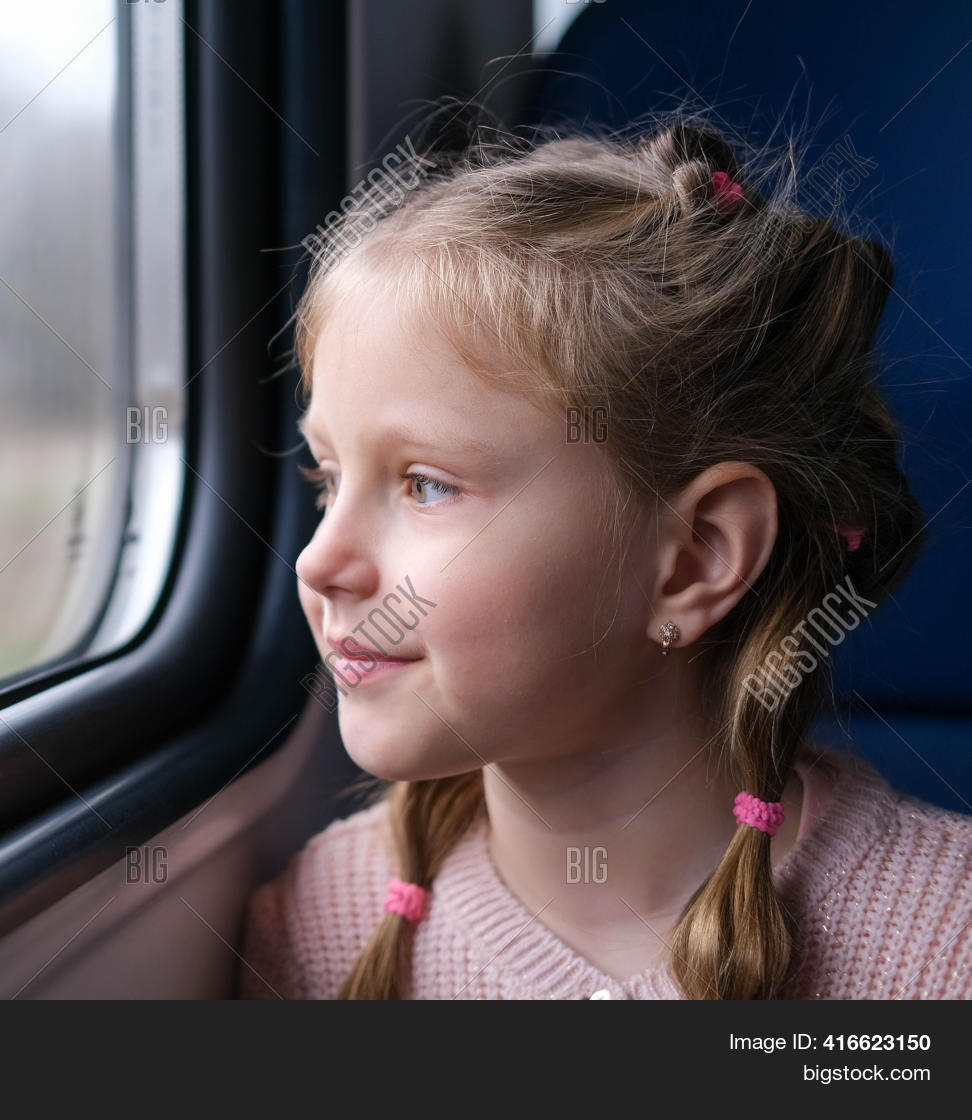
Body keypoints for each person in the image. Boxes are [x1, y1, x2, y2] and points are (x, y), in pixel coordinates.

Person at [237, 115, 972, 999]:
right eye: (326, 477)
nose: (319, 564)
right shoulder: (319, 925)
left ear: (695, 557)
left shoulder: (943, 948)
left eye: (426, 485)